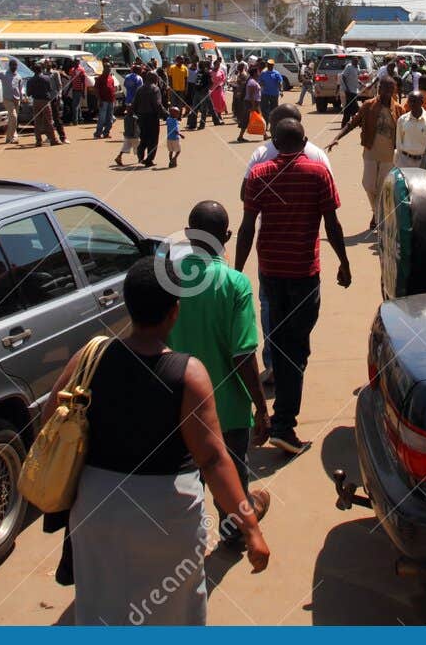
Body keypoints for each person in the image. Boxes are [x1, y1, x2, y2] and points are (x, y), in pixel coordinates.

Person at [57, 260, 269, 626]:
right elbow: (214, 459)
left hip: (96, 508)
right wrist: (251, 528)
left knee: (100, 608)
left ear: (128, 306)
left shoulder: (87, 360)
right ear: (174, 312)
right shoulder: (188, 374)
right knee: (173, 614)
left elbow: (52, 426)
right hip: (167, 514)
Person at [236, 120, 350, 454]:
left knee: (282, 342)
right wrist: (344, 262)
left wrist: (237, 271)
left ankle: (278, 417)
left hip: (271, 273)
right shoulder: (318, 174)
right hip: (303, 274)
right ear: (304, 141)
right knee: (295, 349)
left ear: (274, 142)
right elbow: (332, 223)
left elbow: (246, 229)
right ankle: (284, 425)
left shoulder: (259, 175)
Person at [167, 200, 272, 547]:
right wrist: (261, 407)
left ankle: (187, 537)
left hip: (178, 406)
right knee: (231, 475)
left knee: (186, 478)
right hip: (227, 410)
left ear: (188, 235)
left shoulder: (170, 279)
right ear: (227, 235)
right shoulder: (235, 283)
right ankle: (235, 531)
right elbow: (243, 354)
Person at [327, 75, 402, 229]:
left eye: (390, 88)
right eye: (383, 88)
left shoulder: (399, 109)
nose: (386, 92)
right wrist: (337, 137)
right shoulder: (368, 105)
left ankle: (377, 216)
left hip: (389, 155)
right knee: (368, 185)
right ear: (378, 89)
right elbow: (352, 123)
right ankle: (378, 212)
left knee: (382, 188)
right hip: (370, 151)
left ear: (394, 90)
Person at [133, 69, 165, 167]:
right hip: (152, 117)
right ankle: (149, 160)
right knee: (153, 139)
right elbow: (157, 105)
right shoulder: (155, 89)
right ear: (154, 79)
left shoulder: (140, 89)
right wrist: (166, 115)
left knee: (143, 137)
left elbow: (135, 104)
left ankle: (140, 156)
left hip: (141, 117)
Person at [395, 91, 426, 168]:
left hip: (423, 162)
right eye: (410, 101)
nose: (412, 104)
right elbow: (399, 142)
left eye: (415, 101)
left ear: (422, 102)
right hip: (404, 161)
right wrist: (399, 160)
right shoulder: (402, 120)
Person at [25, 63, 59, 147]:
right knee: (49, 121)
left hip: (36, 101)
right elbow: (50, 89)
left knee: (37, 122)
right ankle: (53, 139)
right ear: (41, 70)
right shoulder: (47, 78)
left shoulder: (30, 80)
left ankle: (38, 141)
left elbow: (28, 93)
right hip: (45, 101)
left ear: (33, 70)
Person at [0, 58, 23, 145]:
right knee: (13, 117)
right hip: (8, 99)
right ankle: (11, 137)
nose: (14, 67)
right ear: (9, 66)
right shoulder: (3, 74)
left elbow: (20, 89)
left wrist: (22, 98)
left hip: (17, 100)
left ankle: (10, 137)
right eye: (12, 65)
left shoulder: (18, 76)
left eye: (15, 65)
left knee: (13, 120)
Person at [237, 64, 262, 142]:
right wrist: (253, 106)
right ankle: (240, 136)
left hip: (254, 103)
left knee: (260, 118)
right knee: (246, 119)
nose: (259, 73)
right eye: (258, 72)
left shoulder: (253, 80)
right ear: (254, 73)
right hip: (251, 103)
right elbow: (251, 95)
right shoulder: (251, 82)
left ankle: (265, 134)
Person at [94, 61, 117, 138]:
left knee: (110, 119)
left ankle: (106, 132)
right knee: (102, 118)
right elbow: (96, 90)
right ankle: (98, 133)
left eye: (110, 68)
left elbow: (113, 89)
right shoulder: (100, 78)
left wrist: (114, 100)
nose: (109, 69)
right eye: (107, 68)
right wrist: (99, 100)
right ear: (104, 69)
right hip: (103, 101)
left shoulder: (111, 78)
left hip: (111, 101)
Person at [339, 56, 362, 127]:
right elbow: (343, 77)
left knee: (348, 108)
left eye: (357, 60)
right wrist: (347, 88)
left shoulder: (357, 68)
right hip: (349, 90)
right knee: (355, 107)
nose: (356, 62)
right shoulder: (349, 67)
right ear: (352, 61)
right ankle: (360, 122)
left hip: (354, 90)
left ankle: (344, 123)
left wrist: (360, 83)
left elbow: (355, 78)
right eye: (354, 60)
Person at [208, 57, 228, 125]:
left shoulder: (221, 71)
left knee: (221, 101)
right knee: (214, 103)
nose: (218, 66)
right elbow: (209, 81)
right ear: (214, 65)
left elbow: (223, 79)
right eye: (217, 64)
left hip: (219, 89)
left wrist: (222, 85)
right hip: (213, 90)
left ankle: (219, 115)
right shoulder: (210, 72)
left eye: (219, 65)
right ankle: (216, 116)